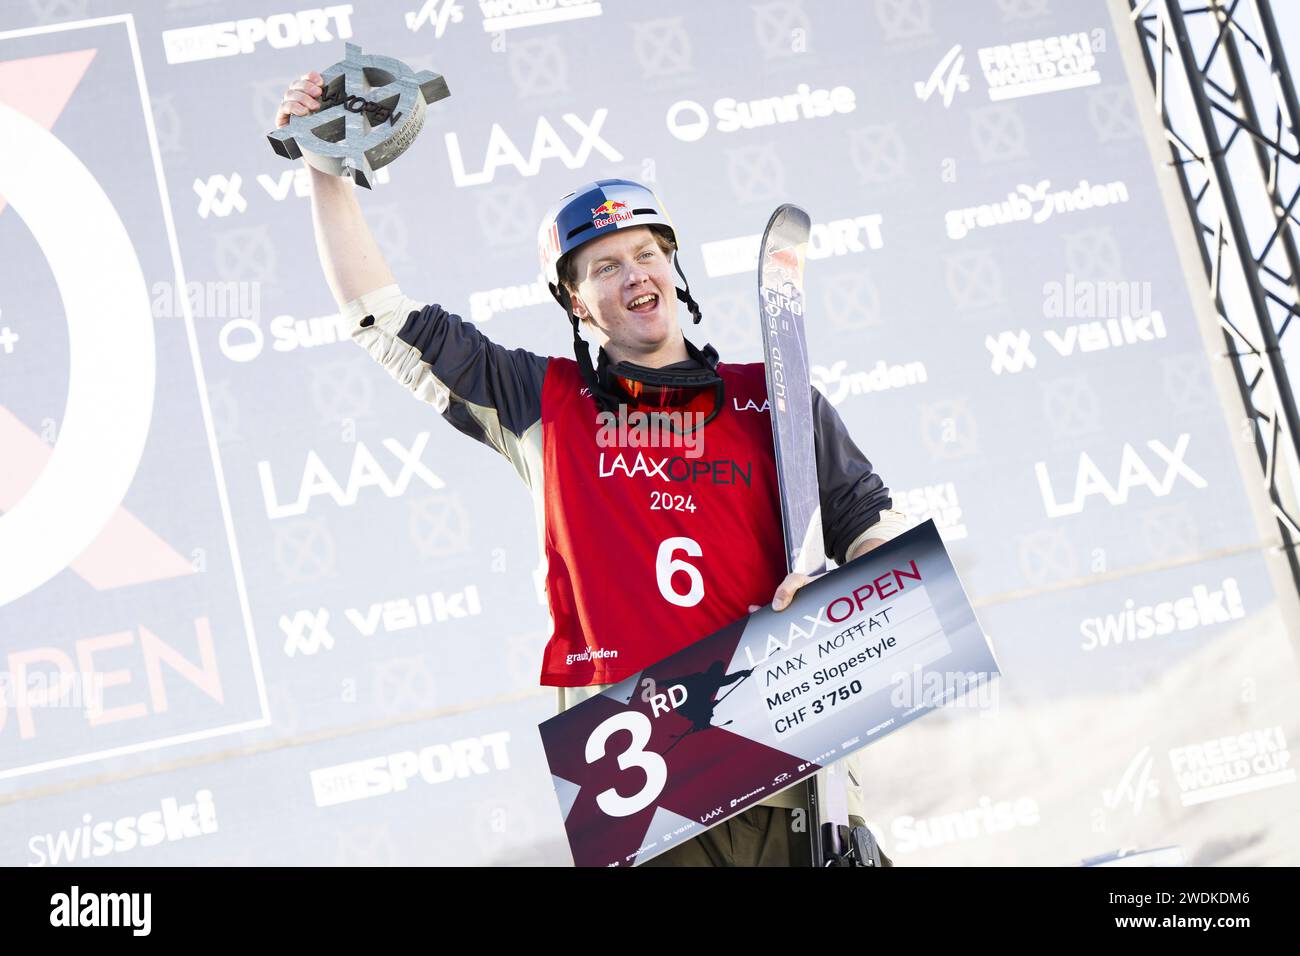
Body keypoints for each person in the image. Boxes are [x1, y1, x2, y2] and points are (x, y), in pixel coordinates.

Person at [277, 72, 908, 866]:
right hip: (651, 806)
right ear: (576, 302)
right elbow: (380, 315)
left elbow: (879, 539)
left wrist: (844, 593)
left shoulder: (776, 399)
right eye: (604, 267)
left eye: (646, 252)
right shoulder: (544, 404)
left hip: (793, 782)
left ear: (673, 270)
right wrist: (323, 165)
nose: (634, 273)